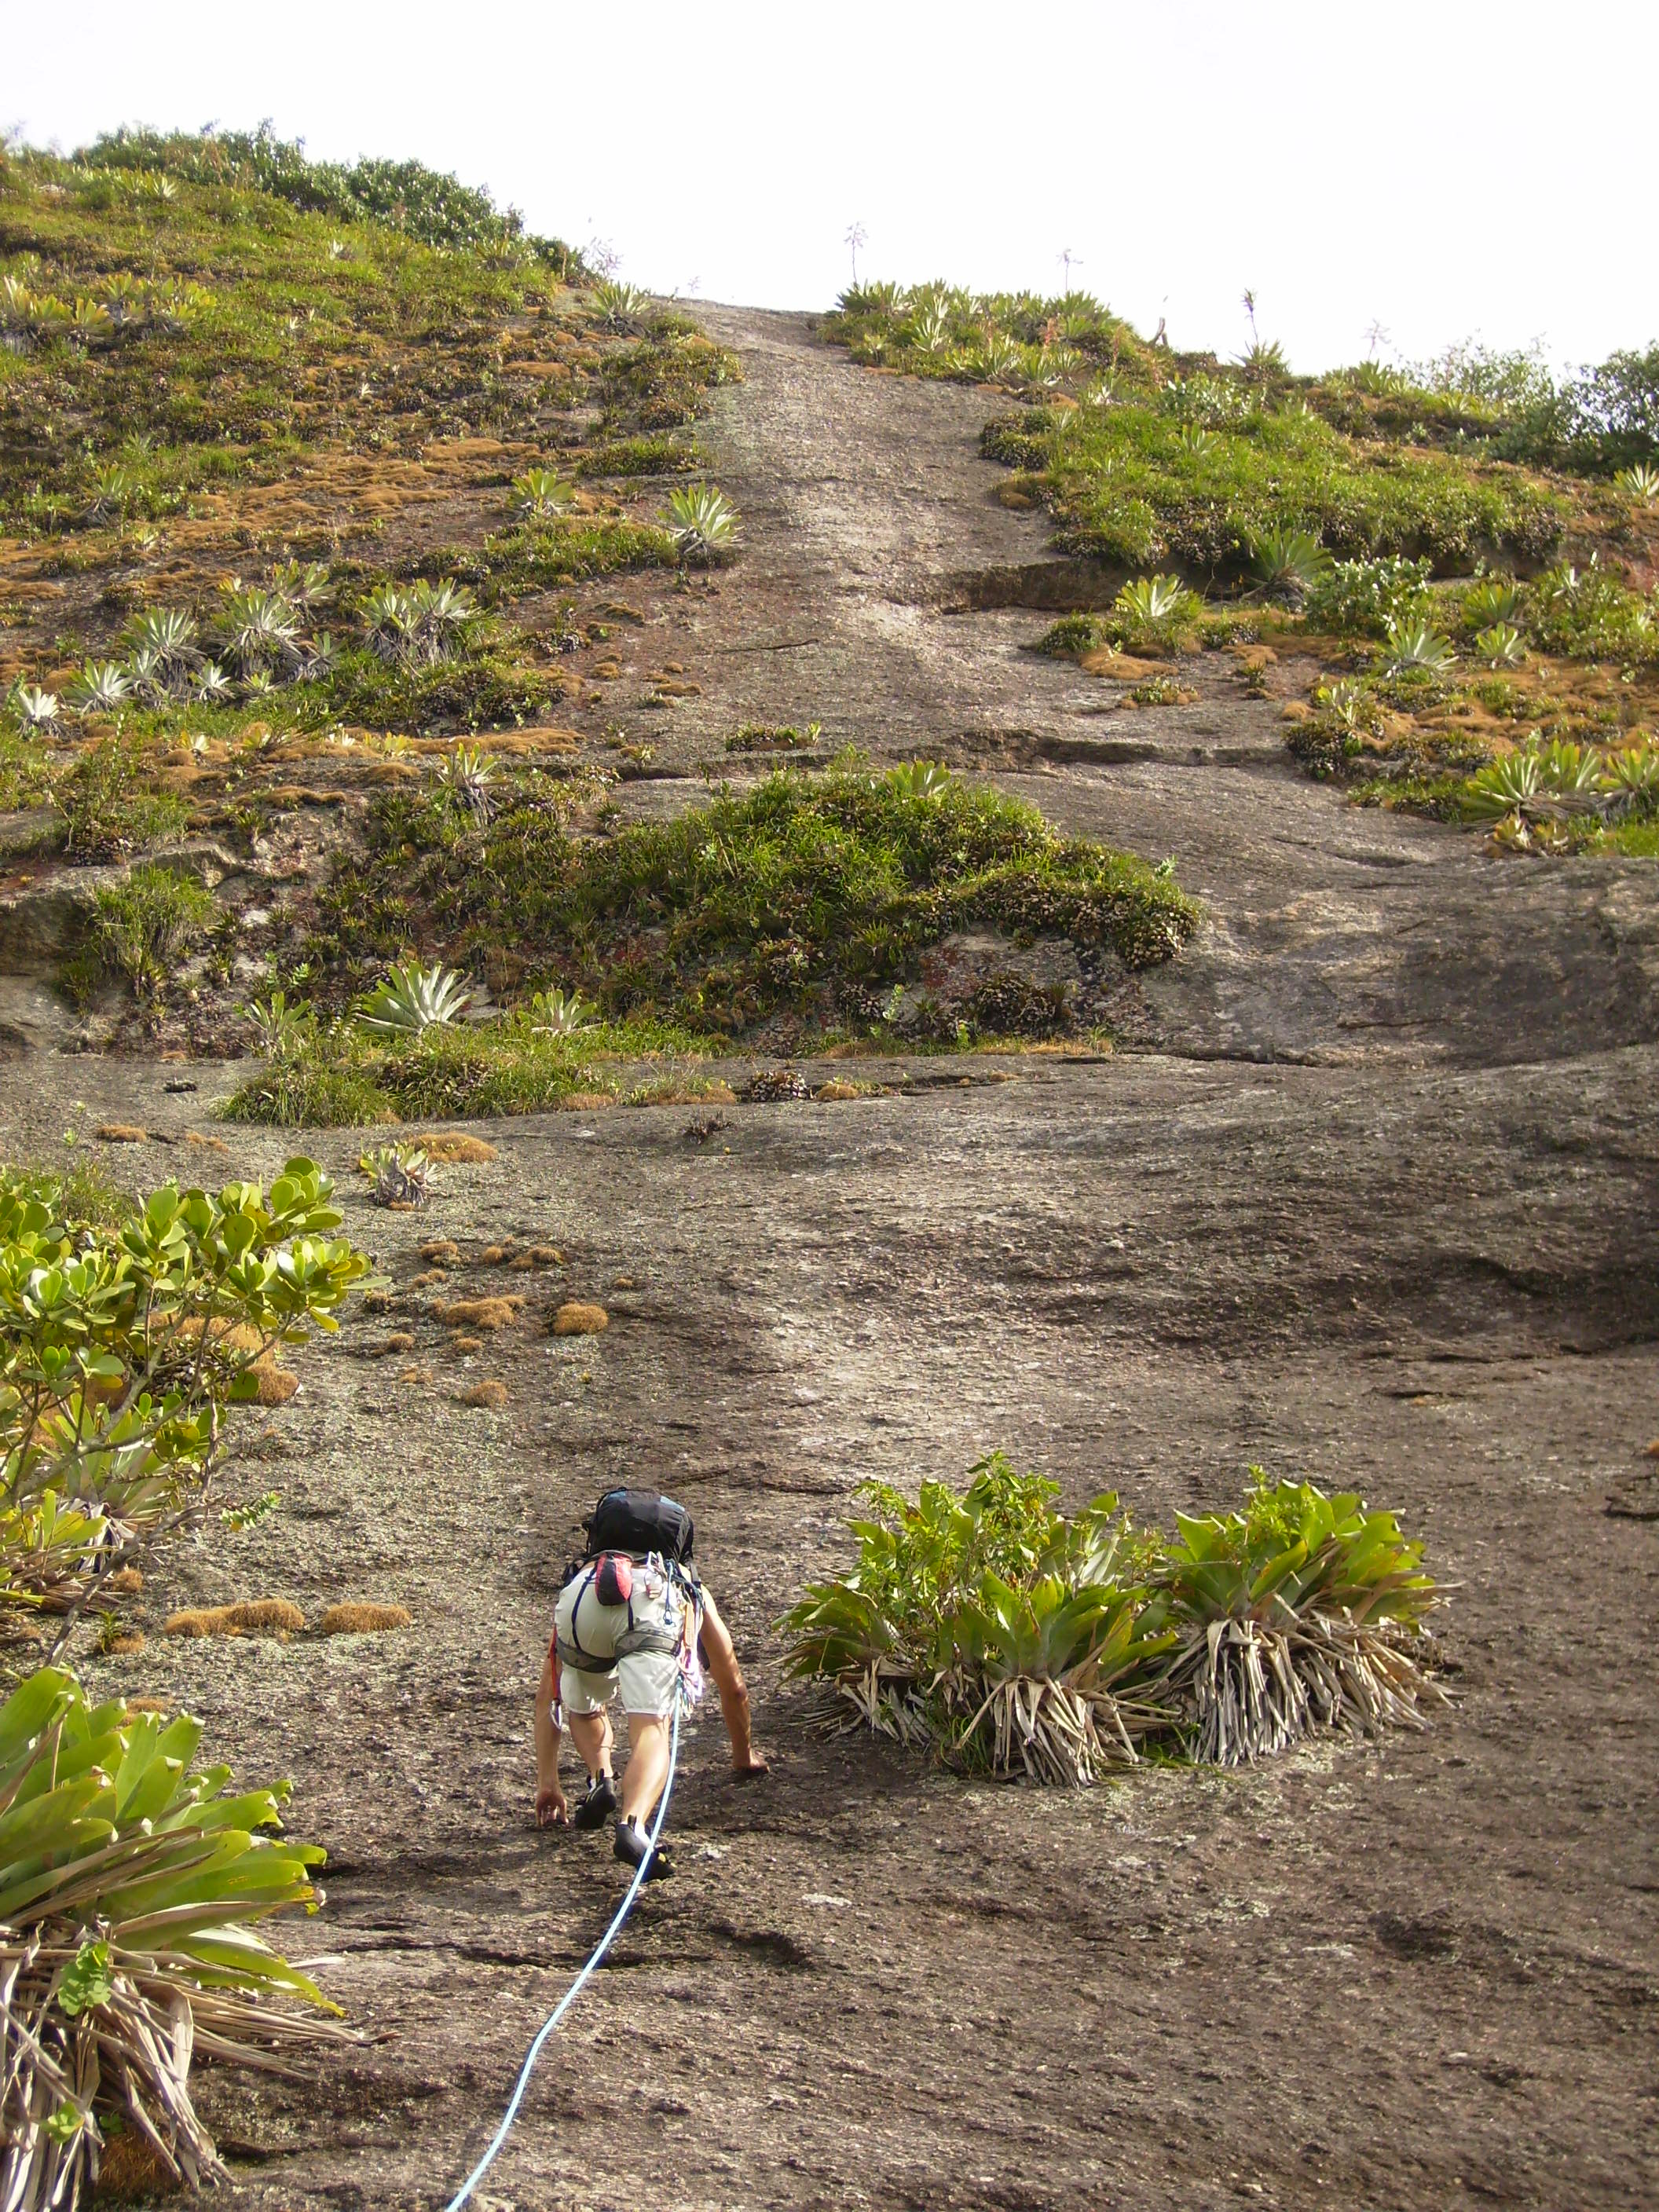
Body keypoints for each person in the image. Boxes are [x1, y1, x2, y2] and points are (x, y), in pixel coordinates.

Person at [534, 1489, 766, 1877]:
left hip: (581, 1608)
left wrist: (548, 1781)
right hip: (651, 1602)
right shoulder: (685, 1584)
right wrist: (744, 1755)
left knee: (583, 1705)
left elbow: (549, 1694)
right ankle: (634, 1826)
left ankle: (600, 1777)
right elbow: (734, 1686)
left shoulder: (584, 1573)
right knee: (652, 1730)